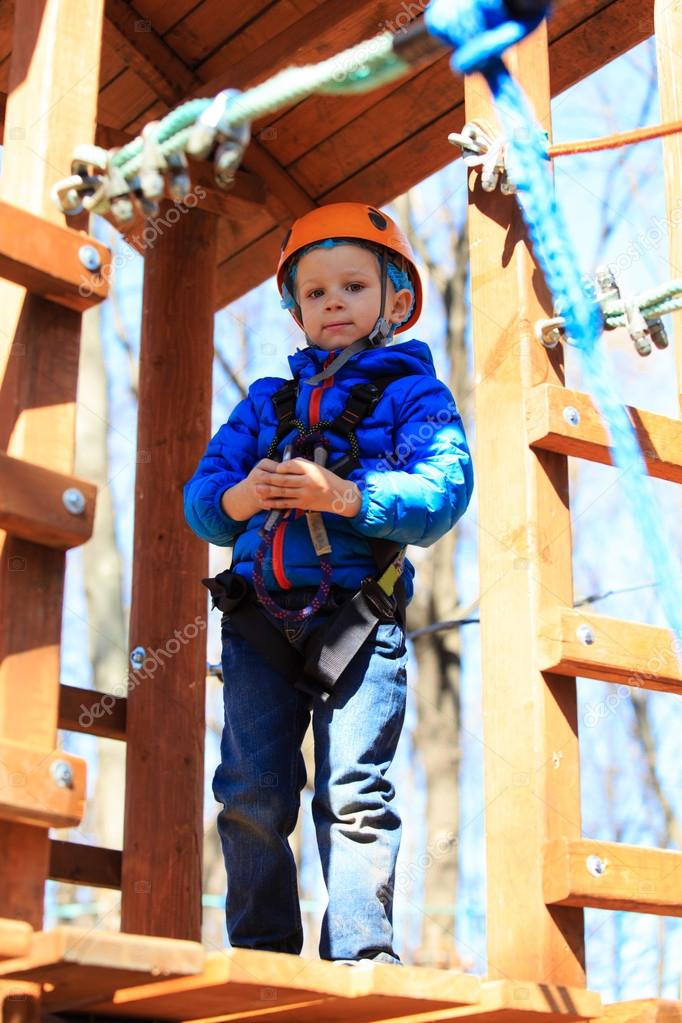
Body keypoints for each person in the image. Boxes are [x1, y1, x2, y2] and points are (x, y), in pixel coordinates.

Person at [183, 202, 473, 966]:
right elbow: (203, 501)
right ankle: (261, 953)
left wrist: (347, 496)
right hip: (256, 620)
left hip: (356, 619)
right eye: (315, 293)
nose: (333, 302)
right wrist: (248, 495)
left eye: (352, 285)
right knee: (250, 789)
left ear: (396, 301)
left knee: (353, 791)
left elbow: (442, 490)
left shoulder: (415, 397)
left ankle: (359, 952)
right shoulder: (264, 405)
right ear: (296, 309)